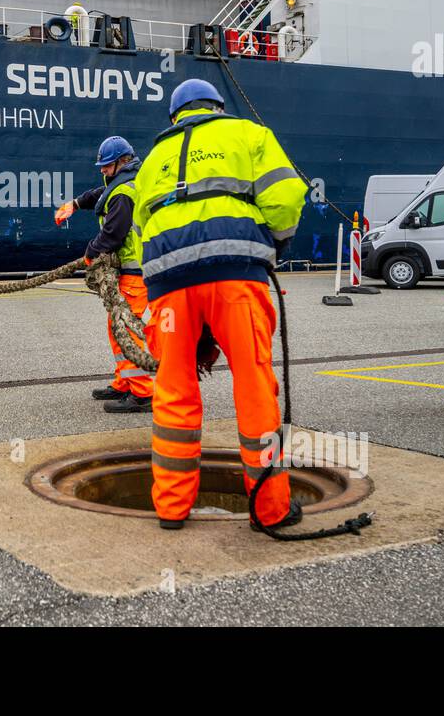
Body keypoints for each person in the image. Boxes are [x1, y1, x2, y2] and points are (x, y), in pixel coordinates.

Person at [132, 78, 308, 533]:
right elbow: (287, 196)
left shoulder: (153, 160)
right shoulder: (249, 135)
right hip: (234, 273)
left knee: (172, 388)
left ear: (175, 118)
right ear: (217, 107)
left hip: (168, 281)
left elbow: (140, 226)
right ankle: (269, 509)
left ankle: (171, 508)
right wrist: (272, 244)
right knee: (253, 385)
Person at [54, 136, 156, 413]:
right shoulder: (125, 184)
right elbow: (100, 193)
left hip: (135, 271)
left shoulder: (124, 193)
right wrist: (74, 204)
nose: (102, 170)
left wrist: (90, 254)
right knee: (117, 328)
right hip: (130, 270)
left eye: (106, 165)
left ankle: (143, 393)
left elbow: (113, 234)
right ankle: (125, 383)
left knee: (127, 330)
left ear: (122, 161)